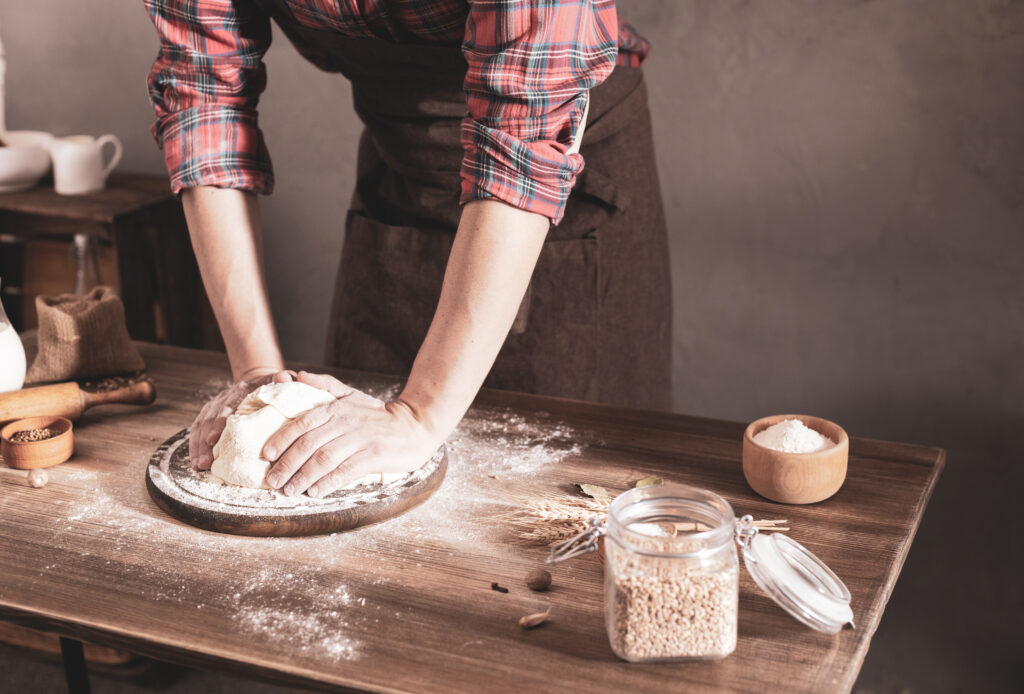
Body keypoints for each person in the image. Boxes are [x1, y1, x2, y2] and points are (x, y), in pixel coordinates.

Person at [144, 0, 671, 498]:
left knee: (566, 487)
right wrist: (259, 382)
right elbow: (204, 104)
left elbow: (523, 136)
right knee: (347, 489)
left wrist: (419, 415)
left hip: (564, 186)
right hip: (402, 175)